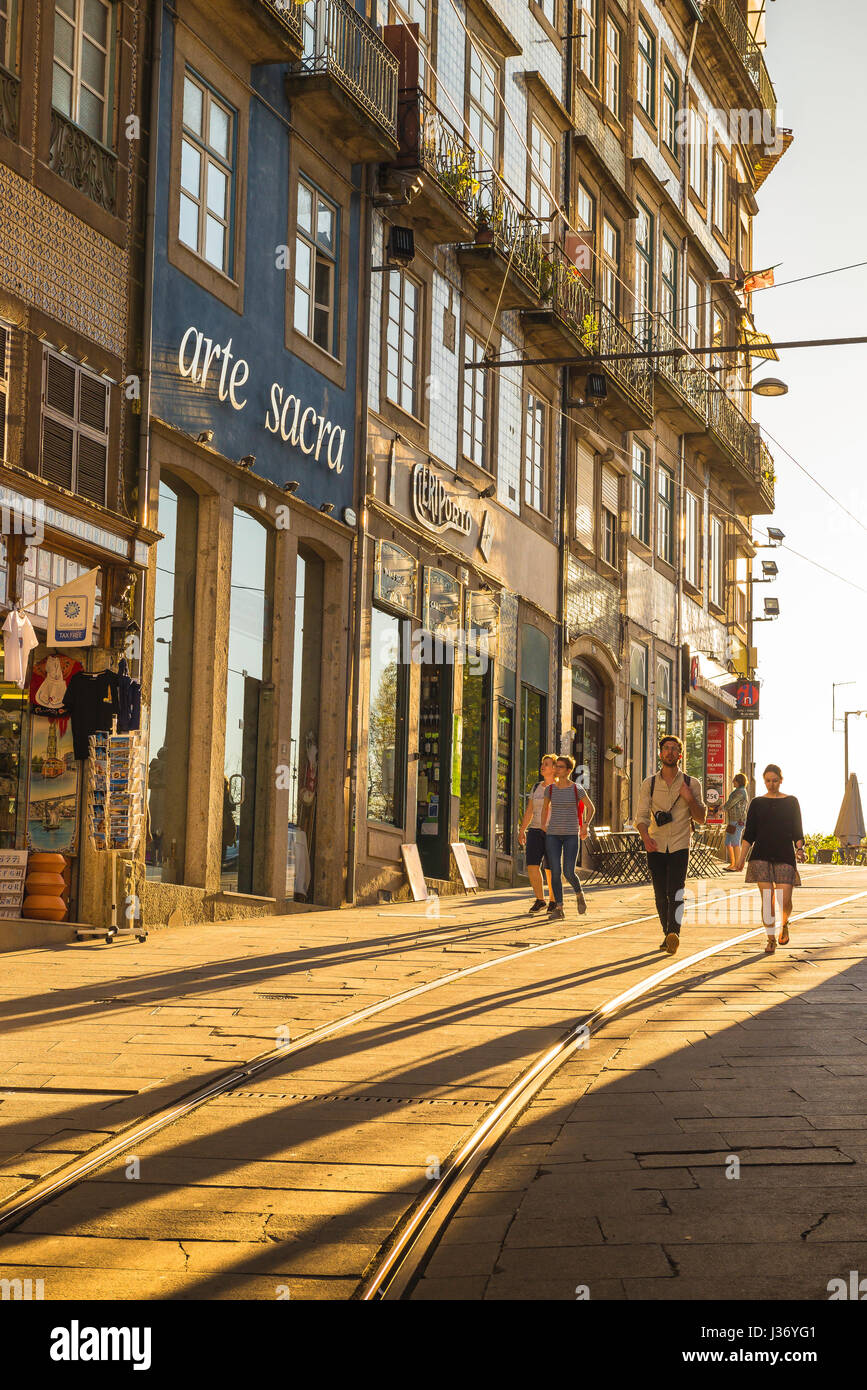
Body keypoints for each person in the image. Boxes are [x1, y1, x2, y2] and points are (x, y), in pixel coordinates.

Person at [636, 734, 707, 955]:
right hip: (655, 844)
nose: (670, 752)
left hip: (679, 844)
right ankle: (667, 934)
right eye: (666, 748)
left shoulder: (691, 783)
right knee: (659, 894)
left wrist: (689, 798)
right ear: (660, 753)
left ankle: (674, 933)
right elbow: (641, 816)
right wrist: (645, 838)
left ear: (680, 754)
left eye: (674, 749)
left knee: (676, 891)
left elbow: (701, 817)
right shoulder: (650, 783)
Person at [736, 764, 805, 954]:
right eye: (768, 781)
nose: (771, 784)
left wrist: (800, 848)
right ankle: (770, 938)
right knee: (767, 900)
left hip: (785, 855)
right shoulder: (757, 803)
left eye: (775, 780)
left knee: (785, 900)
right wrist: (741, 859)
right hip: (761, 857)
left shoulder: (792, 801)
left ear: (781, 780)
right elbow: (749, 833)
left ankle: (785, 922)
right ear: (764, 781)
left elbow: (797, 830)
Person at [541, 754, 595, 919]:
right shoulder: (550, 789)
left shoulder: (576, 789)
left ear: (569, 770)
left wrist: (585, 824)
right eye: (556, 766)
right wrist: (544, 825)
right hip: (553, 835)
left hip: (571, 834)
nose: (556, 769)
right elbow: (544, 808)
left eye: (560, 767)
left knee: (568, 871)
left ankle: (579, 894)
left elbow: (590, 808)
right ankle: (559, 907)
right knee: (555, 871)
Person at [517, 754, 556, 913]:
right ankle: (540, 900)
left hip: (552, 832)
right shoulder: (536, 787)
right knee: (532, 865)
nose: (543, 766)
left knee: (550, 868)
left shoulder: (559, 788)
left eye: (546, 764)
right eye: (542, 763)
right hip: (534, 830)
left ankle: (554, 900)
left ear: (554, 768)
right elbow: (530, 811)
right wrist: (522, 830)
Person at [723, 773, 750, 870]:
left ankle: (737, 865)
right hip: (732, 821)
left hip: (738, 821)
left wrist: (721, 809)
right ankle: (733, 863)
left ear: (739, 781)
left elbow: (731, 803)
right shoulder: (738, 791)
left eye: (734, 780)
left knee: (735, 843)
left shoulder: (740, 792)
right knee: (728, 842)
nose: (733, 781)